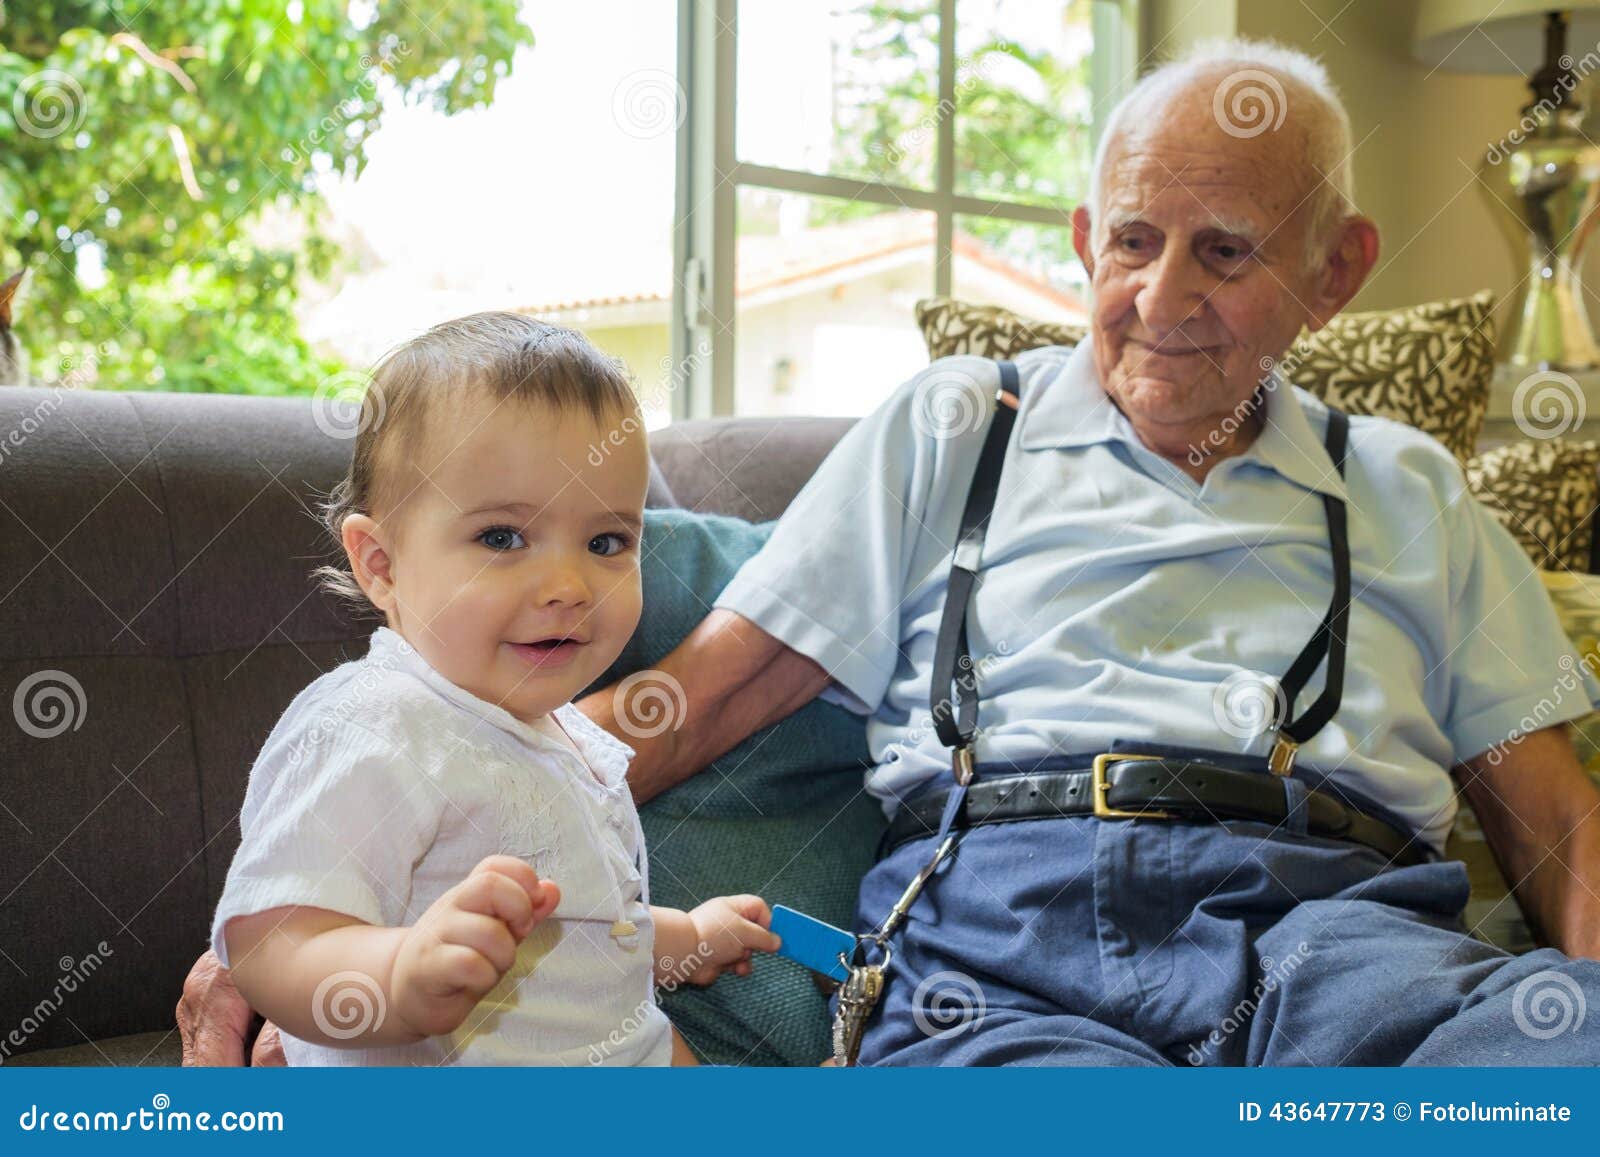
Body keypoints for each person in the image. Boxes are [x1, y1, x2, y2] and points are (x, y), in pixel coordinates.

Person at [182, 39, 1600, 1067]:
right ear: (1081, 244)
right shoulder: (954, 425)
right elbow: (708, 695)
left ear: (1338, 270)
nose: (1162, 297)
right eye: (1130, 242)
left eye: (1225, 251)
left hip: (1341, 938)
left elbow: (1560, 825)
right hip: (1003, 941)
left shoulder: (1408, 485)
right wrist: (323, 923)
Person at [208, 313, 778, 1066]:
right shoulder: (371, 725)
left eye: (607, 542)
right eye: (503, 537)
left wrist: (691, 936)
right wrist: (396, 977)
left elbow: (594, 923)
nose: (569, 584)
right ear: (380, 564)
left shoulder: (556, 728)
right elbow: (271, 938)